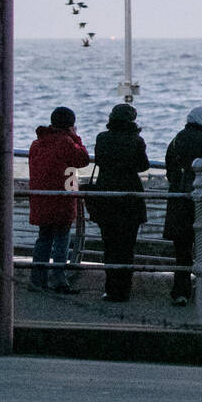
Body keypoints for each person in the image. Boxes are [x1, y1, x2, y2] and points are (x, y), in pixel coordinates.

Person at [162, 106, 202, 307]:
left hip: (179, 201)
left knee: (182, 251)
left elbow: (170, 169)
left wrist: (179, 184)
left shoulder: (176, 140)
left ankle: (180, 293)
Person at [27, 106, 90, 294]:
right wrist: (76, 138)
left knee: (43, 239)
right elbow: (83, 159)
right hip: (62, 199)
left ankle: (37, 280)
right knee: (61, 240)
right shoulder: (66, 142)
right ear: (70, 125)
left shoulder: (36, 144)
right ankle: (59, 280)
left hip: (40, 198)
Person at [92, 103, 150, 302]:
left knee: (109, 245)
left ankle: (110, 288)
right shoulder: (136, 140)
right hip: (129, 198)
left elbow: (99, 160)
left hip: (106, 196)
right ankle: (124, 289)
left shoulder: (102, 138)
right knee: (127, 246)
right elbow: (143, 165)